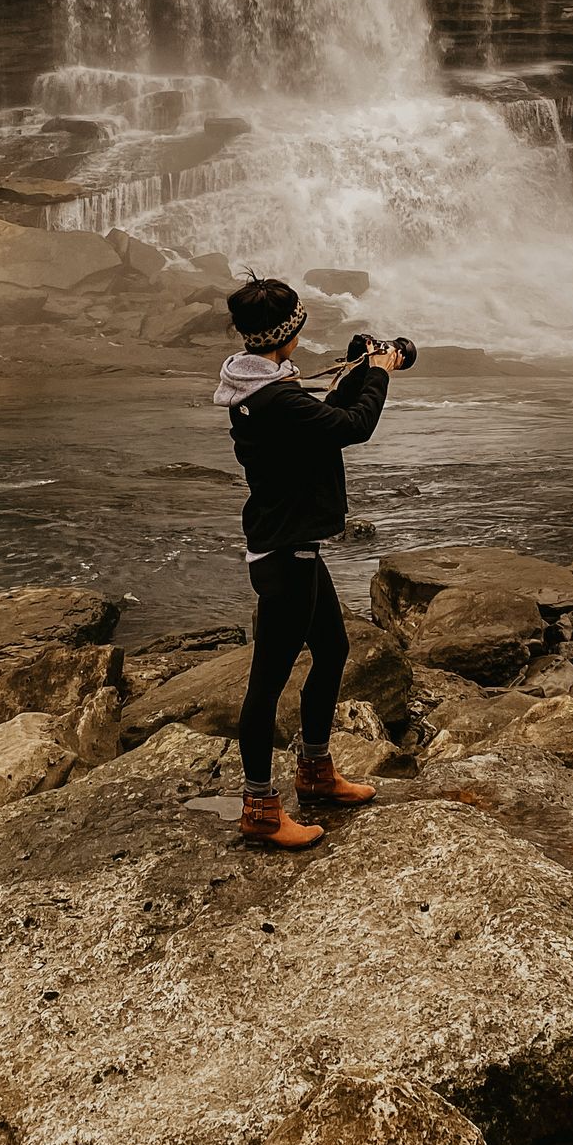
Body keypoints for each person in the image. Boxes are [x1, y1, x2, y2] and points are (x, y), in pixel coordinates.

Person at [213, 276, 401, 849]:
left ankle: (316, 773)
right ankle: (261, 811)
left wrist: (353, 374)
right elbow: (351, 427)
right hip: (284, 554)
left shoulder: (260, 388)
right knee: (266, 684)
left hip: (293, 546)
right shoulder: (275, 399)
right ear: (289, 332)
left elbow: (319, 428)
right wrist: (380, 375)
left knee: (334, 650)